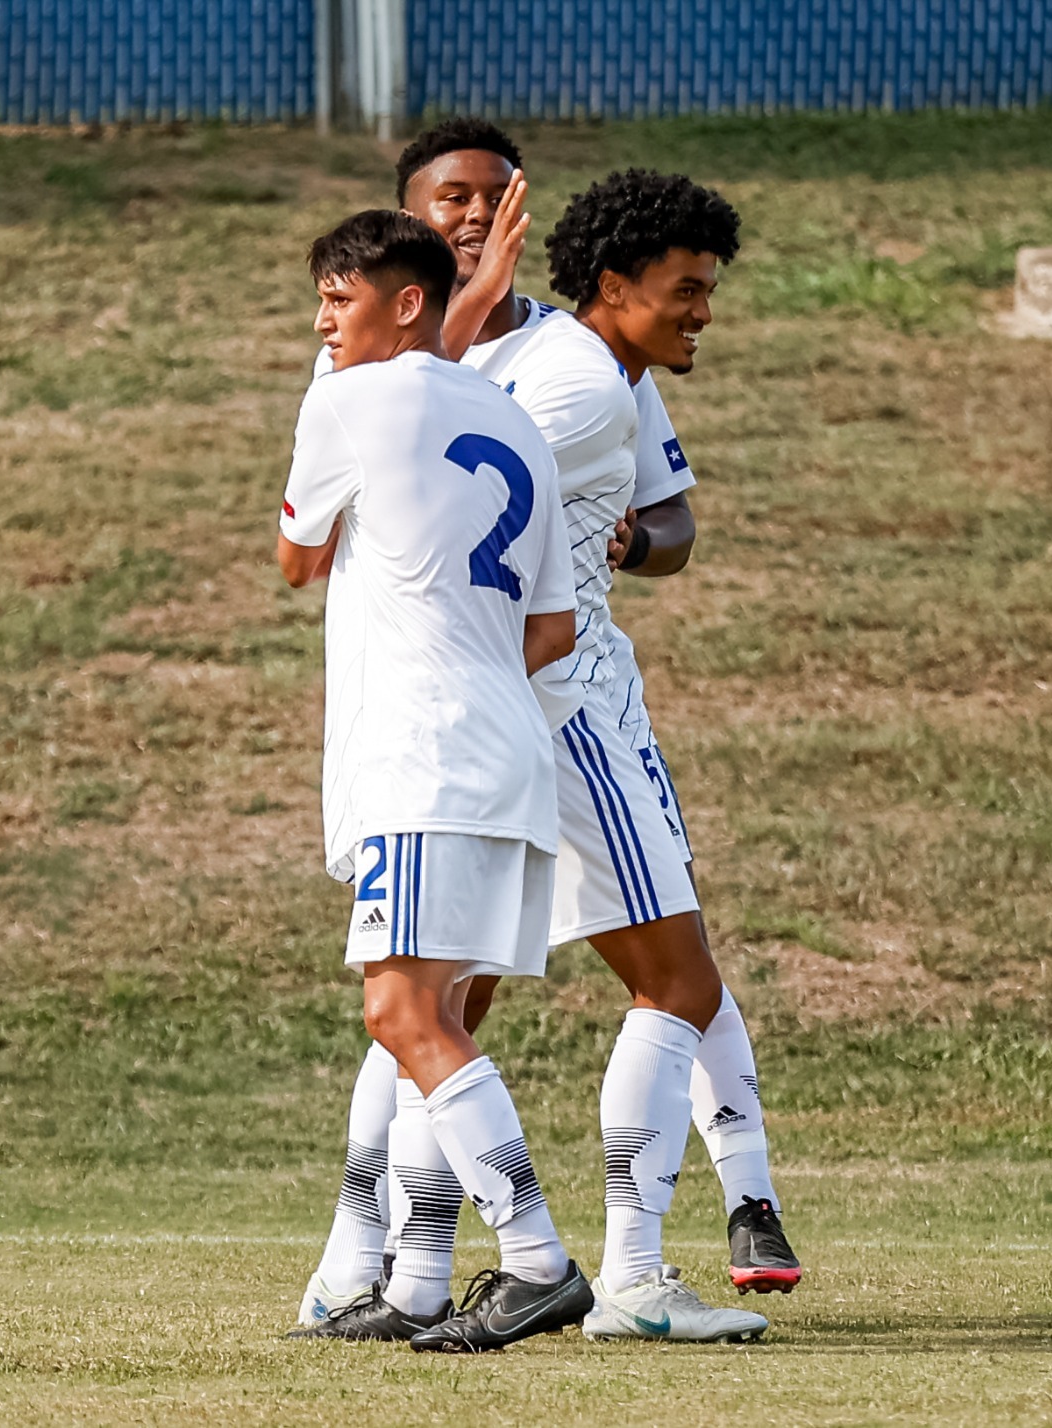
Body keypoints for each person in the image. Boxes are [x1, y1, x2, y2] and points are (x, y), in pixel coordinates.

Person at [297, 125, 795, 1346]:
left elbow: (647, 520)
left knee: (433, 1005)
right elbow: (429, 496)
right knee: (666, 986)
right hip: (556, 718)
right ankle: (619, 1272)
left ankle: (396, 1273)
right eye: (687, 291)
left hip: (506, 714)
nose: (703, 313)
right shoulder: (556, 380)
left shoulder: (575, 372)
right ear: (614, 286)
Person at [277, 208, 592, 1352]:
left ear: (407, 302)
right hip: (507, 751)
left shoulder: (349, 398)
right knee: (436, 1016)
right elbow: (551, 626)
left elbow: (296, 556)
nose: (321, 323)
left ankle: (535, 1256)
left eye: (338, 301)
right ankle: (413, 1283)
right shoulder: (513, 422)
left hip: (422, 759)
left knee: (398, 1012)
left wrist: (424, 676)